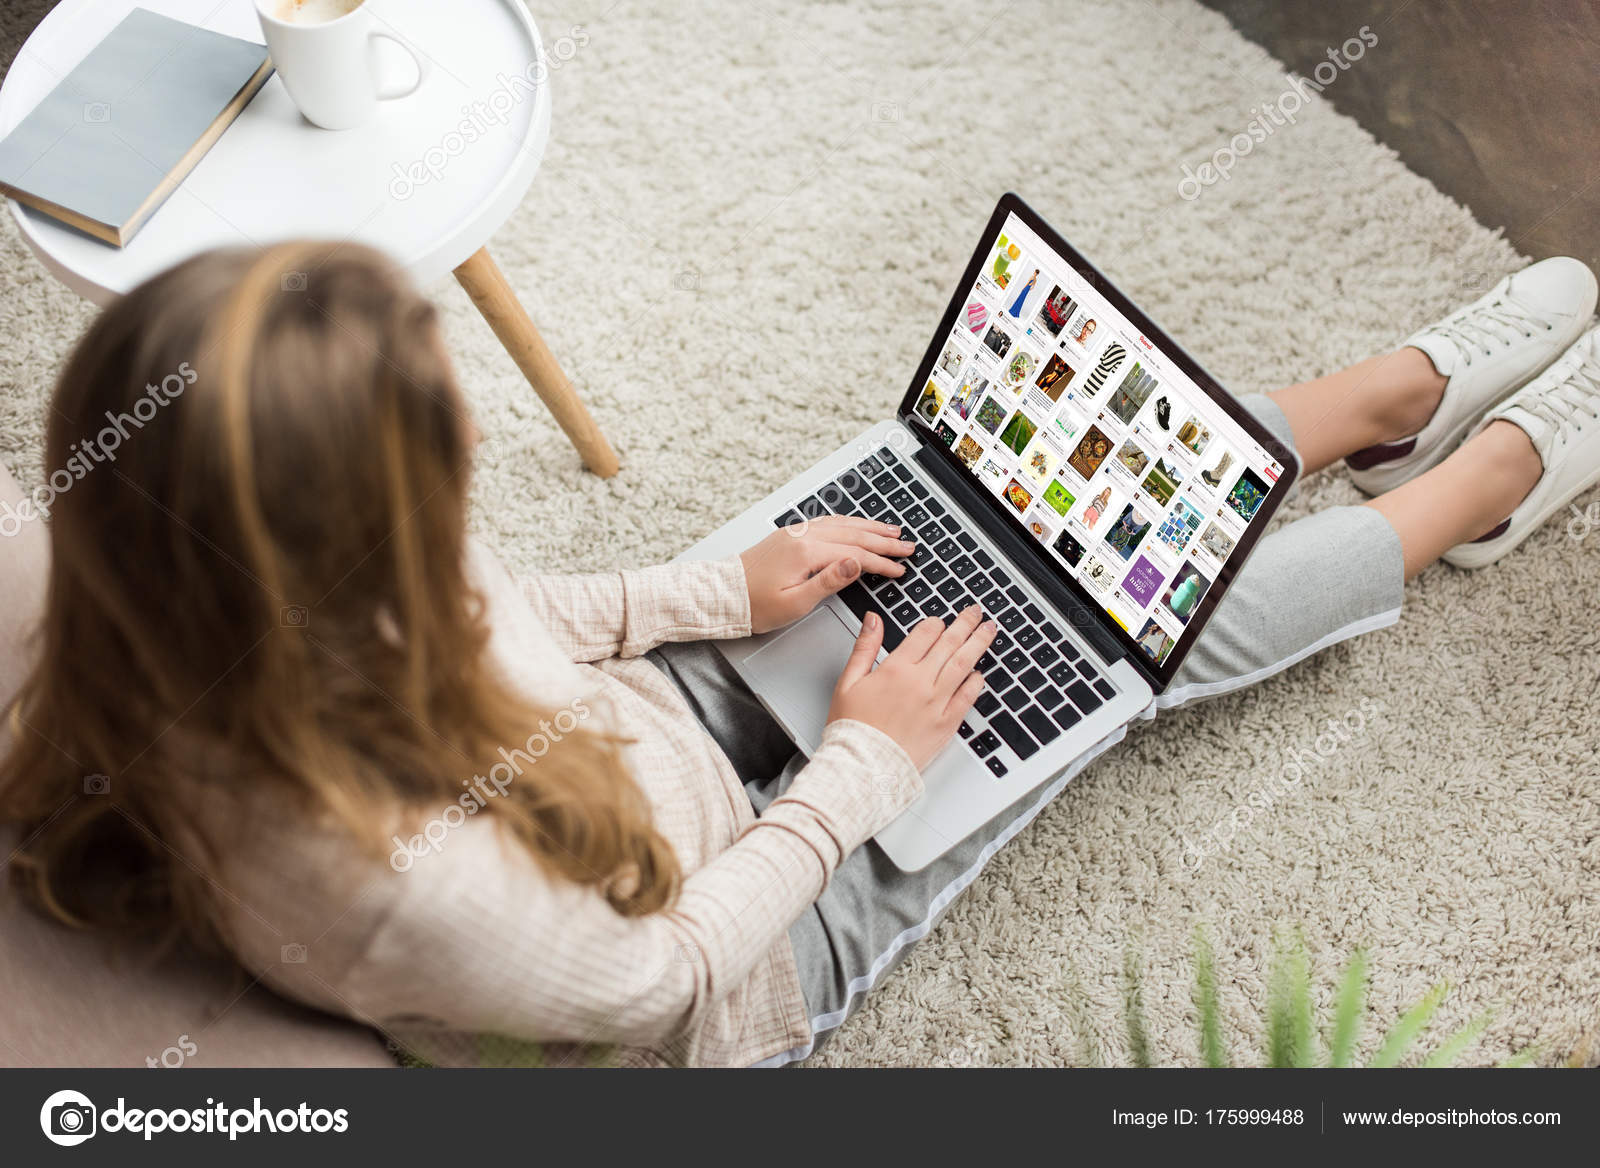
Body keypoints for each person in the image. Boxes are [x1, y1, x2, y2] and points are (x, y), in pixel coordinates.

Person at [0, 245, 1595, 1069]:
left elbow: (511, 619)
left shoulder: (186, 575)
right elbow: (655, 982)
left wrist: (713, 590)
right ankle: (1482, 486)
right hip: (745, 945)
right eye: (445, 431)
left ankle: (1359, 408)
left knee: (982, 505)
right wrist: (861, 768)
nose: (480, 424)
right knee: (1102, 646)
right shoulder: (383, 875)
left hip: (636, 748)